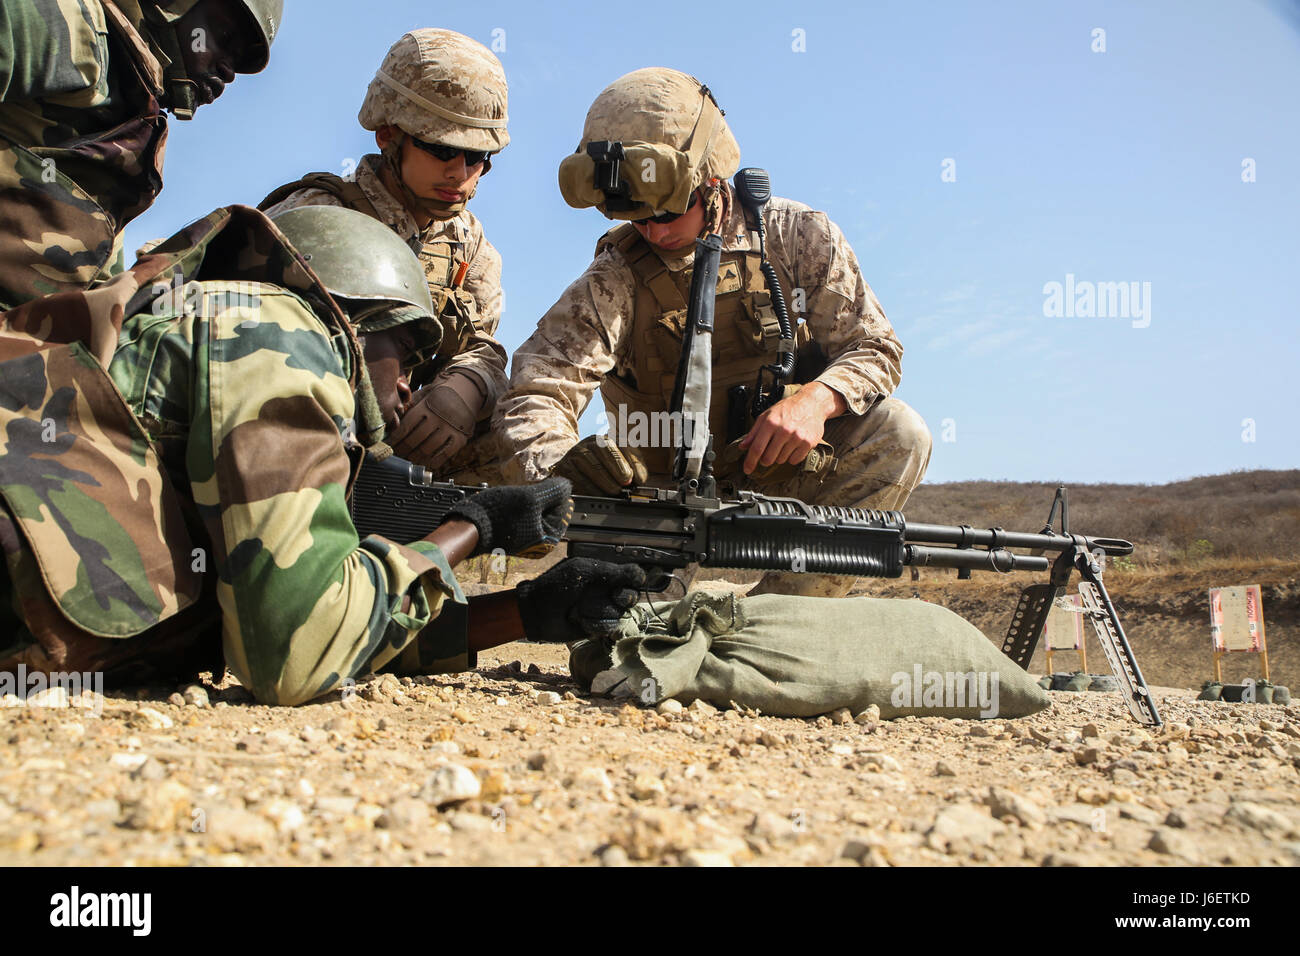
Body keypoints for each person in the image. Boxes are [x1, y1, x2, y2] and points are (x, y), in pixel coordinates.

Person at [0, 204, 642, 704]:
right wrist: (472, 528)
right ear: (354, 325)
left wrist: (520, 613)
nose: (411, 385)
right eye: (406, 352)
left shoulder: (214, 327)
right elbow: (295, 650)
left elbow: (287, 614)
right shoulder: (276, 330)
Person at [493, 68, 932, 599]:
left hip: (783, 471)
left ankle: (784, 617)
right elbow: (539, 389)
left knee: (900, 432)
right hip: (658, 502)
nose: (655, 232)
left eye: (671, 210)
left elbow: (875, 347)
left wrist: (816, 401)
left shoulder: (797, 237)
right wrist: (559, 470)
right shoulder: (615, 278)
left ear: (713, 179)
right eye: (636, 216)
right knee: (622, 660)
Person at [260, 28, 509, 482]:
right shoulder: (317, 215)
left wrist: (465, 389)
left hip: (400, 444)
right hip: (291, 436)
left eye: (477, 157)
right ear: (388, 135)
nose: (460, 172)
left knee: (515, 433)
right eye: (441, 148)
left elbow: (482, 348)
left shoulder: (470, 247)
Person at [0, 0, 282, 311]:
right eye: (224, 36)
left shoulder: (132, 132)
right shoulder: (79, 31)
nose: (228, 72)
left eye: (238, 61)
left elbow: (96, 284)